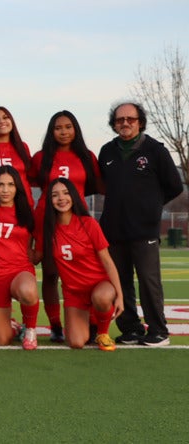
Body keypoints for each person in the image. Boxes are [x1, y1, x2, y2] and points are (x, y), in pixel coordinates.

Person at [98, 102, 182, 346]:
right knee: (121, 281)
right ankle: (131, 329)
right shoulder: (107, 151)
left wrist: (151, 206)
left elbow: (175, 186)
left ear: (140, 122)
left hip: (144, 230)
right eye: (120, 119)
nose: (125, 123)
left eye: (130, 119)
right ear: (114, 124)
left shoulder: (155, 150)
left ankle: (158, 331)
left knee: (148, 281)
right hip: (114, 229)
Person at [29, 110, 100, 342]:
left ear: (75, 129)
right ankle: (55, 326)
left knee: (83, 274)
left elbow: (95, 184)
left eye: (68, 127)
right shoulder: (41, 157)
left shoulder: (87, 156)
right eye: (58, 128)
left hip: (77, 220)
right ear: (51, 131)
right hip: (47, 219)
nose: (63, 132)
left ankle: (93, 323)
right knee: (50, 273)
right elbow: (27, 180)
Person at [37, 178, 124, 350]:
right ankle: (90, 317)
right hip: (74, 293)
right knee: (76, 342)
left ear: (73, 196)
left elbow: (107, 261)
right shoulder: (49, 230)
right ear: (49, 200)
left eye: (66, 193)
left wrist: (120, 296)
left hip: (99, 285)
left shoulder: (88, 224)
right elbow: (37, 256)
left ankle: (102, 333)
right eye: (55, 195)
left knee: (101, 298)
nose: (61, 198)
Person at [0, 166, 39, 350]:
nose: (5, 190)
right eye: (0, 185)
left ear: (17, 187)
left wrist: (35, 256)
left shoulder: (27, 212)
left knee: (28, 291)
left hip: (19, 271)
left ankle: (30, 330)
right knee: (2, 339)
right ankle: (14, 326)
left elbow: (39, 240)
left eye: (10, 185)